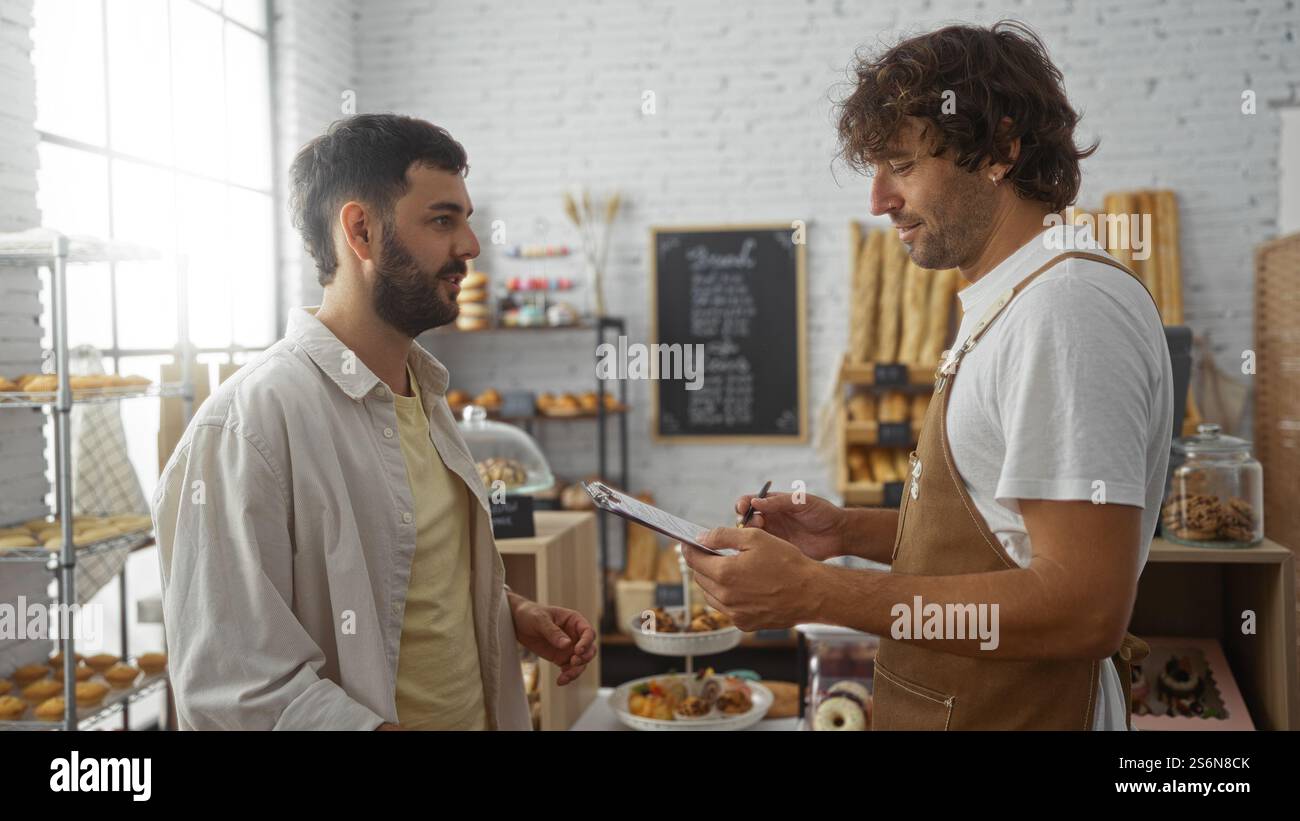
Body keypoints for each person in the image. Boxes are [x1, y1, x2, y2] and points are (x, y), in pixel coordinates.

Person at [685, 21, 1172, 730]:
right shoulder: (1010, 301)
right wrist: (846, 532)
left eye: (902, 165)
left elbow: (1083, 607)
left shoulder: (1064, 309)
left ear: (1001, 149)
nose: (879, 199)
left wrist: (819, 592)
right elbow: (1004, 539)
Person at [153, 114, 595, 730]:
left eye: (465, 220)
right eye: (444, 220)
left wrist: (505, 612)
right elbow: (233, 686)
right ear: (360, 230)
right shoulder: (244, 428)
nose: (470, 246)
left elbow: (401, 583)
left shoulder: (424, 391)